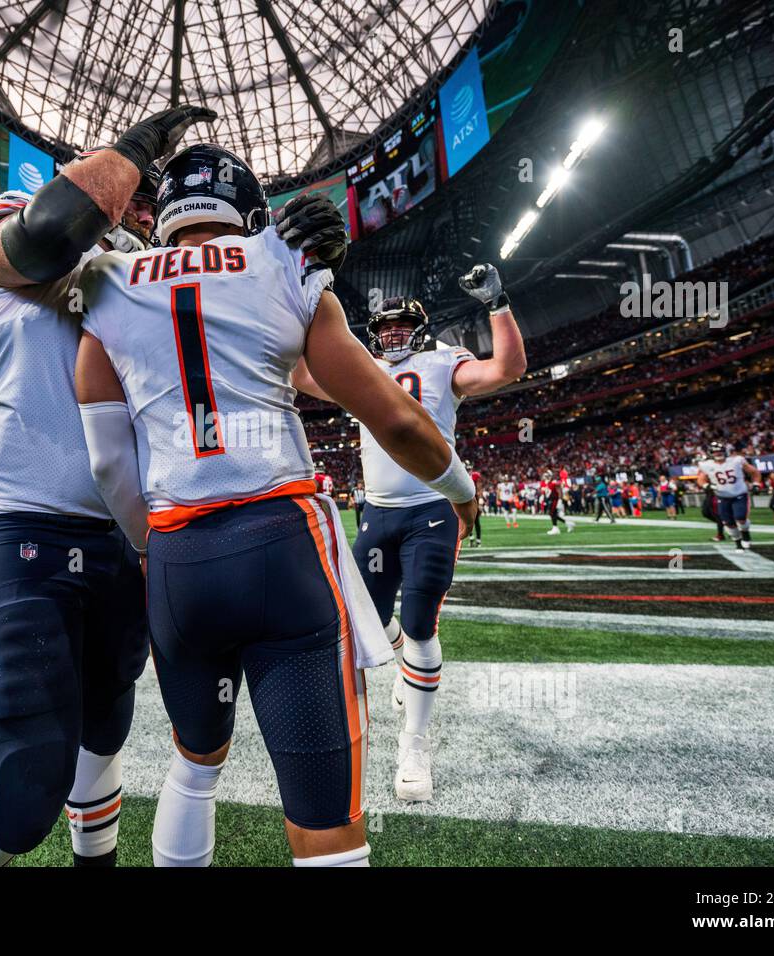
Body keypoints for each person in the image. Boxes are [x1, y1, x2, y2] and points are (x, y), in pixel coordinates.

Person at [0, 108, 348, 869]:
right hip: (31, 533)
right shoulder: (17, 260)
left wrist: (306, 279)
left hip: (131, 540)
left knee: (105, 733)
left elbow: (286, 366)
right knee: (26, 790)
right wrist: (134, 152)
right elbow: (47, 233)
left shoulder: (133, 285)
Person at [75, 142, 476, 866]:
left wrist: (152, 542)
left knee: (194, 766)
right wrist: (462, 490)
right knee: (325, 813)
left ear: (163, 214)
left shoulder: (110, 279)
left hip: (176, 558)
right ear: (252, 211)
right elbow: (395, 420)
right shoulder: (278, 260)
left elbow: (107, 458)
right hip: (280, 546)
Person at [297, 282, 523, 802]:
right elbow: (300, 374)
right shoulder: (363, 368)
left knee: (420, 622)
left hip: (432, 513)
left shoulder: (444, 363)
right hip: (378, 514)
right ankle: (405, 664)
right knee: (368, 622)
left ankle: (415, 744)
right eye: (383, 327)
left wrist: (498, 303)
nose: (392, 333)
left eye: (401, 324)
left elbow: (506, 368)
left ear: (420, 327)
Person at [695, 441, 760, 550]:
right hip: (722, 497)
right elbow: (701, 479)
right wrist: (706, 485)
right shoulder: (707, 465)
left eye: (720, 451)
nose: (718, 454)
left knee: (740, 518)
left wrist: (756, 484)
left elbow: (754, 472)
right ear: (711, 453)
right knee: (728, 523)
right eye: (715, 452)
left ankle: (745, 534)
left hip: (739, 494)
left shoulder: (736, 460)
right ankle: (738, 543)